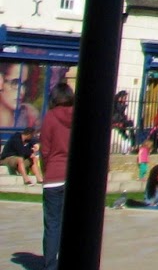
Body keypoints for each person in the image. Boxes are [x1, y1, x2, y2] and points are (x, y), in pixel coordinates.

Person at [38, 81, 72, 270]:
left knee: (52, 224)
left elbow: (45, 150)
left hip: (53, 177)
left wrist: (46, 170)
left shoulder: (50, 117)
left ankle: (51, 266)